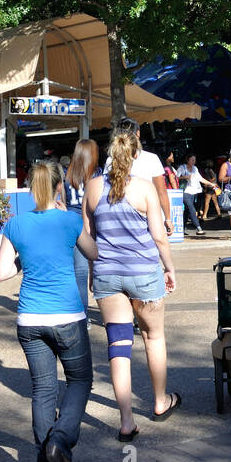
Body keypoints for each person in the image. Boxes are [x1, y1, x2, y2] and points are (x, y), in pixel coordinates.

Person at [0, 159, 98, 462]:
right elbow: (93, 253)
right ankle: (60, 441)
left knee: (42, 389)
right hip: (67, 315)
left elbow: (2, 273)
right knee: (80, 381)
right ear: (58, 187)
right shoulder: (69, 221)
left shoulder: (16, 225)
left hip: (29, 319)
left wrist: (28, 256)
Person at [83, 127, 179, 439]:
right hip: (144, 273)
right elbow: (159, 237)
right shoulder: (144, 189)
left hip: (107, 275)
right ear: (135, 155)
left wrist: (91, 272)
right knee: (154, 337)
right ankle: (160, 401)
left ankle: (126, 420)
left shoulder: (93, 188)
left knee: (119, 343)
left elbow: (88, 238)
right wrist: (170, 269)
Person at [108, 117, 172, 235]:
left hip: (119, 216)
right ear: (138, 133)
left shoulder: (110, 160)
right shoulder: (151, 158)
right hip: (148, 216)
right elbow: (161, 191)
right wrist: (168, 218)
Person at [64, 138, 102, 317]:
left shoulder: (67, 176)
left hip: (73, 226)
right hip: (95, 223)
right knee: (103, 268)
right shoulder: (98, 174)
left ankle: (82, 316)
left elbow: (63, 204)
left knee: (79, 273)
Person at [176, 153, 217, 235]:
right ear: (187, 160)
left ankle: (182, 229)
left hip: (193, 192)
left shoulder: (195, 168)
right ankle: (198, 228)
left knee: (187, 211)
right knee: (192, 209)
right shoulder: (182, 168)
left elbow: (200, 179)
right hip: (185, 191)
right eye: (192, 160)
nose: (194, 162)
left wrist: (211, 184)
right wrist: (185, 177)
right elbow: (175, 177)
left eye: (194, 160)